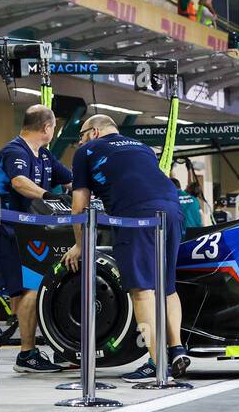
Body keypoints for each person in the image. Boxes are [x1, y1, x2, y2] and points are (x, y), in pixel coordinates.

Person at [65, 115, 190, 382]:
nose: (81, 140)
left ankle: (157, 363)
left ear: (94, 132)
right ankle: (177, 347)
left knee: (142, 290)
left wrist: (80, 245)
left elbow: (79, 206)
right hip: (172, 209)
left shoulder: (86, 150)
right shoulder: (142, 146)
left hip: (136, 216)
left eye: (82, 134)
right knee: (167, 287)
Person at [0, 105, 72, 374]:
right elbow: (19, 182)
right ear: (47, 127)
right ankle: (26, 354)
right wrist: (49, 196)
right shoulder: (15, 151)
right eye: (54, 128)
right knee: (28, 290)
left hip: (35, 232)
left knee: (43, 287)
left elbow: (71, 179)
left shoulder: (44, 155)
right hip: (10, 231)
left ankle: (59, 346)